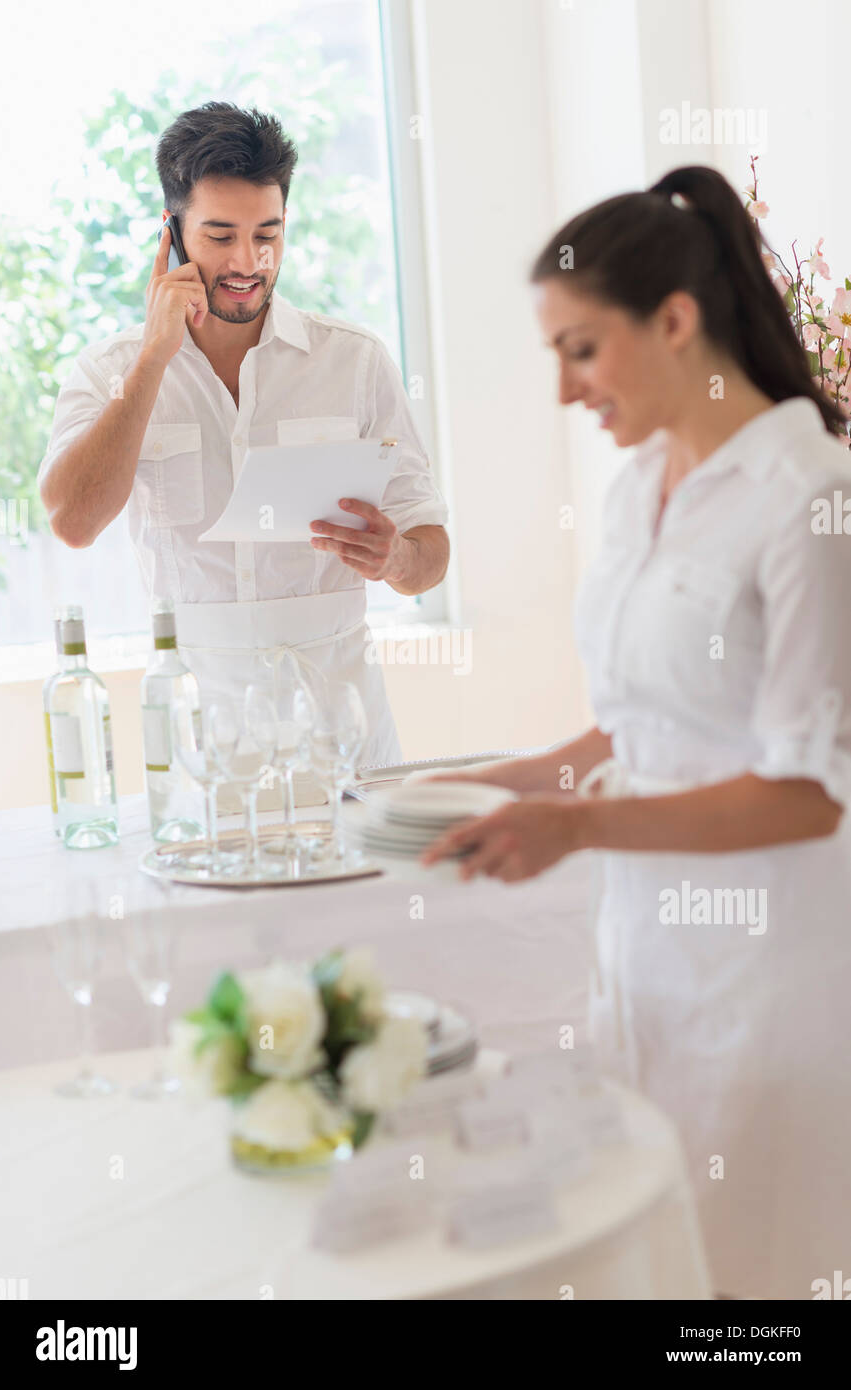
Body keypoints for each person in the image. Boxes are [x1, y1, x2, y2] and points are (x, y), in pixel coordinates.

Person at [423, 165, 851, 1300]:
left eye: (580, 349)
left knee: (758, 1272)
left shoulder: (812, 496)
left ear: (673, 320)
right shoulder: (634, 491)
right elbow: (636, 723)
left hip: (772, 967)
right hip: (643, 956)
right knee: (654, 1260)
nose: (566, 390)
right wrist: (493, 783)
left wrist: (574, 825)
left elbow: (810, 790)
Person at [38, 102, 449, 766]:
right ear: (170, 234)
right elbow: (73, 521)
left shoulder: (353, 360)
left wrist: (396, 558)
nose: (249, 261)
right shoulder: (113, 370)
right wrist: (152, 360)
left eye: (268, 233)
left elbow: (430, 548)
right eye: (220, 235)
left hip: (345, 731)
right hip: (203, 736)